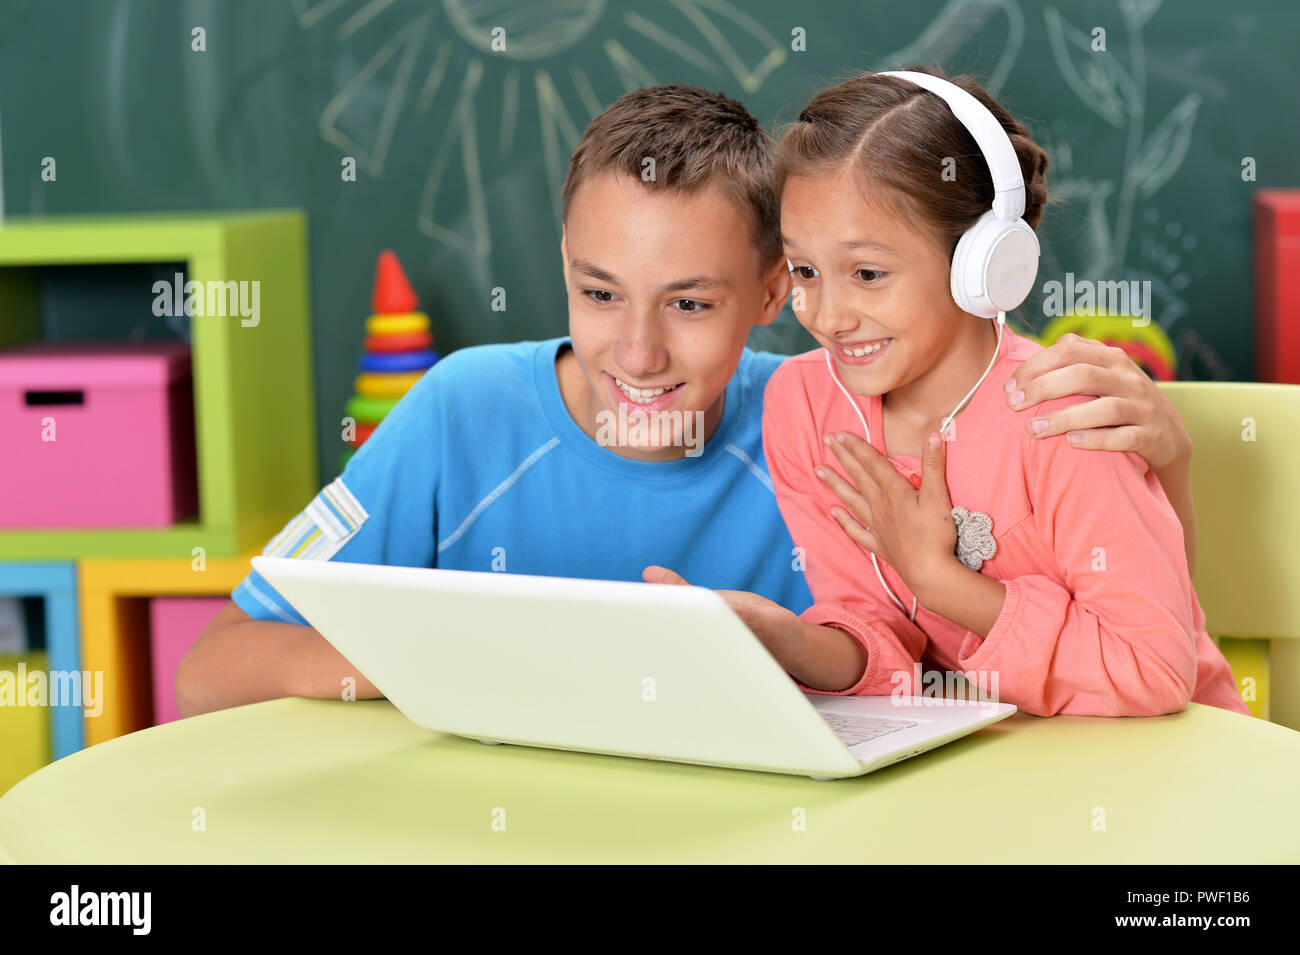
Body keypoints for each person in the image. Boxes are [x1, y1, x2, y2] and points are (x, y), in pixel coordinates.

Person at [178, 82, 1213, 719]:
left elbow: (1126, 637)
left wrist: (1166, 454)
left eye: (689, 301)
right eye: (597, 291)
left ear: (768, 293)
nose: (636, 349)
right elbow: (212, 668)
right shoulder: (460, 411)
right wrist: (465, 666)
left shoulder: (819, 415)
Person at [651, 67, 1246, 717]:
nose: (827, 314)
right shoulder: (805, 406)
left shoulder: (1063, 414)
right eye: (805, 270)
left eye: (868, 272)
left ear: (980, 264)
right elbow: (882, 639)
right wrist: (787, 639)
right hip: (981, 775)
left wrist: (941, 581)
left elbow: (1153, 673)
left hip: (1158, 769)